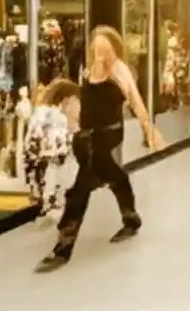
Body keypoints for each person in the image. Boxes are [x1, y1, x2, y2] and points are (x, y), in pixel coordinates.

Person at [37, 26, 162, 273]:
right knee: (113, 174)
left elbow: (135, 101)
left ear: (114, 48)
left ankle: (64, 245)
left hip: (108, 133)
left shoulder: (119, 70)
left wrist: (149, 129)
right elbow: (85, 104)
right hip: (87, 136)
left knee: (81, 187)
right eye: (97, 46)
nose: (102, 51)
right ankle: (131, 217)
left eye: (106, 47)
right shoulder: (87, 71)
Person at [25, 79, 78, 219]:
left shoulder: (39, 112)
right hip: (52, 165)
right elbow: (60, 150)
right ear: (67, 100)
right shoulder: (59, 117)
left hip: (35, 164)